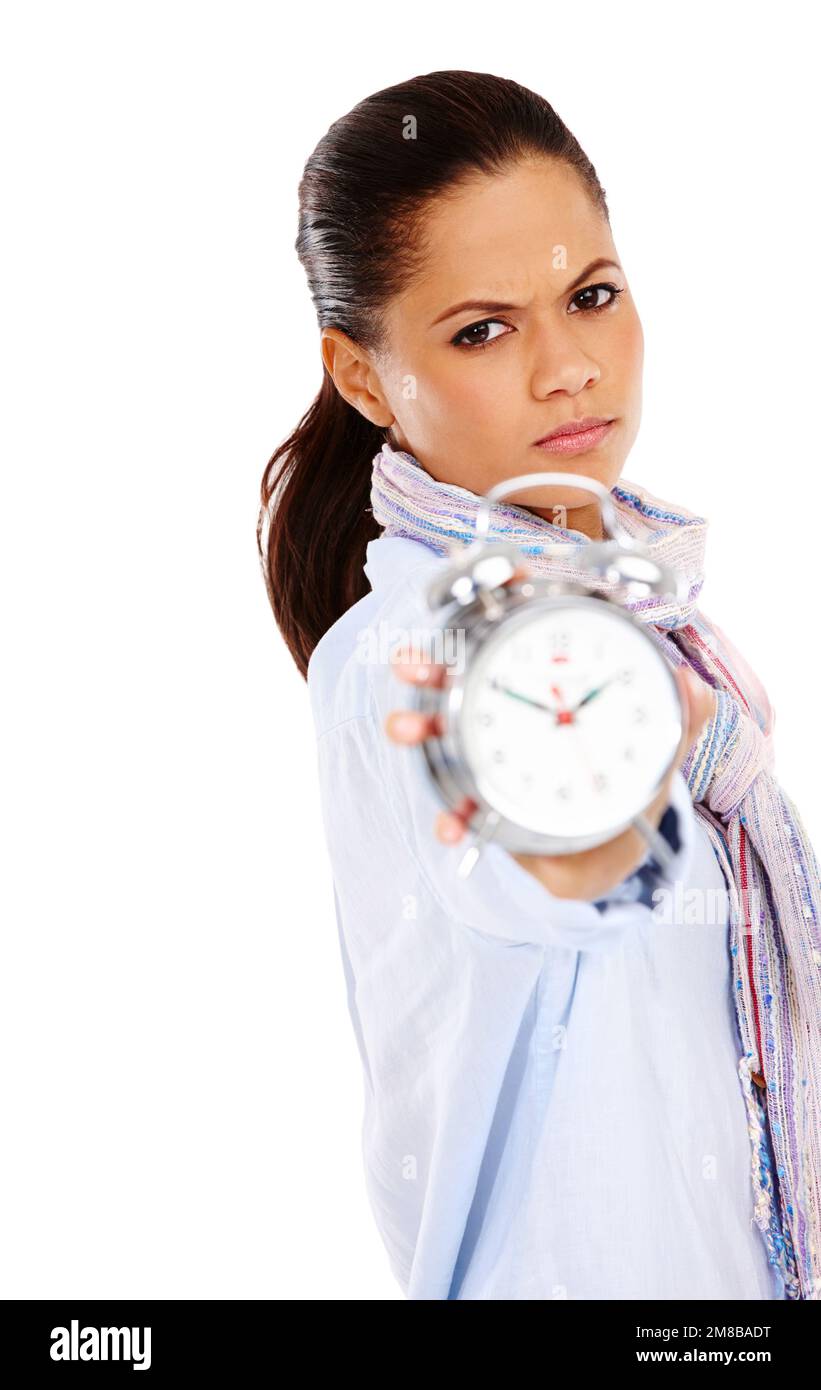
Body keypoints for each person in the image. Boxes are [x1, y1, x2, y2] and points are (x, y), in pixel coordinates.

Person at [258, 71, 819, 1300]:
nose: (568, 368)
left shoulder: (632, 609)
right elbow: (560, 872)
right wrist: (644, 736)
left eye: (590, 296)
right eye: (481, 329)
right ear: (362, 378)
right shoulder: (426, 642)